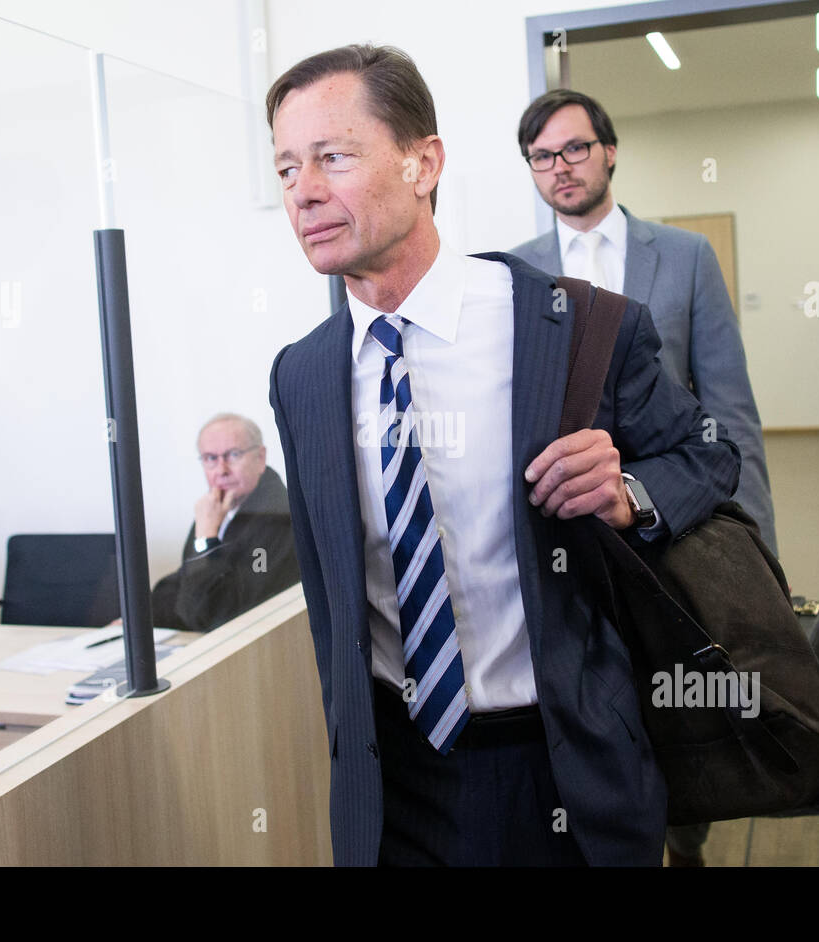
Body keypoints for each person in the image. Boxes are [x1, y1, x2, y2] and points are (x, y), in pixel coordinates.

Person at [265, 44, 740, 866]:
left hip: (560, 770)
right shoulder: (302, 374)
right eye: (285, 169)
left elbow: (709, 455)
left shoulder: (572, 327)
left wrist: (628, 490)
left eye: (332, 158)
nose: (303, 191)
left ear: (424, 162)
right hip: (392, 789)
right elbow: (331, 603)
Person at [510, 89, 779, 867]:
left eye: (574, 149)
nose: (559, 168)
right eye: (541, 157)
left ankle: (688, 835)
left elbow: (729, 412)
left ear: (610, 151)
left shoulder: (685, 256)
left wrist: (756, 546)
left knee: (686, 696)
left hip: (673, 519)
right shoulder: (513, 273)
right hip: (573, 542)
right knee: (601, 703)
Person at [150, 413, 300, 632]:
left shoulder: (280, 518)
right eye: (211, 458)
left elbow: (219, 614)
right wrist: (142, 620)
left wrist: (207, 537)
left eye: (233, 455)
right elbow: (184, 583)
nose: (221, 470)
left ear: (261, 457)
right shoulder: (217, 509)